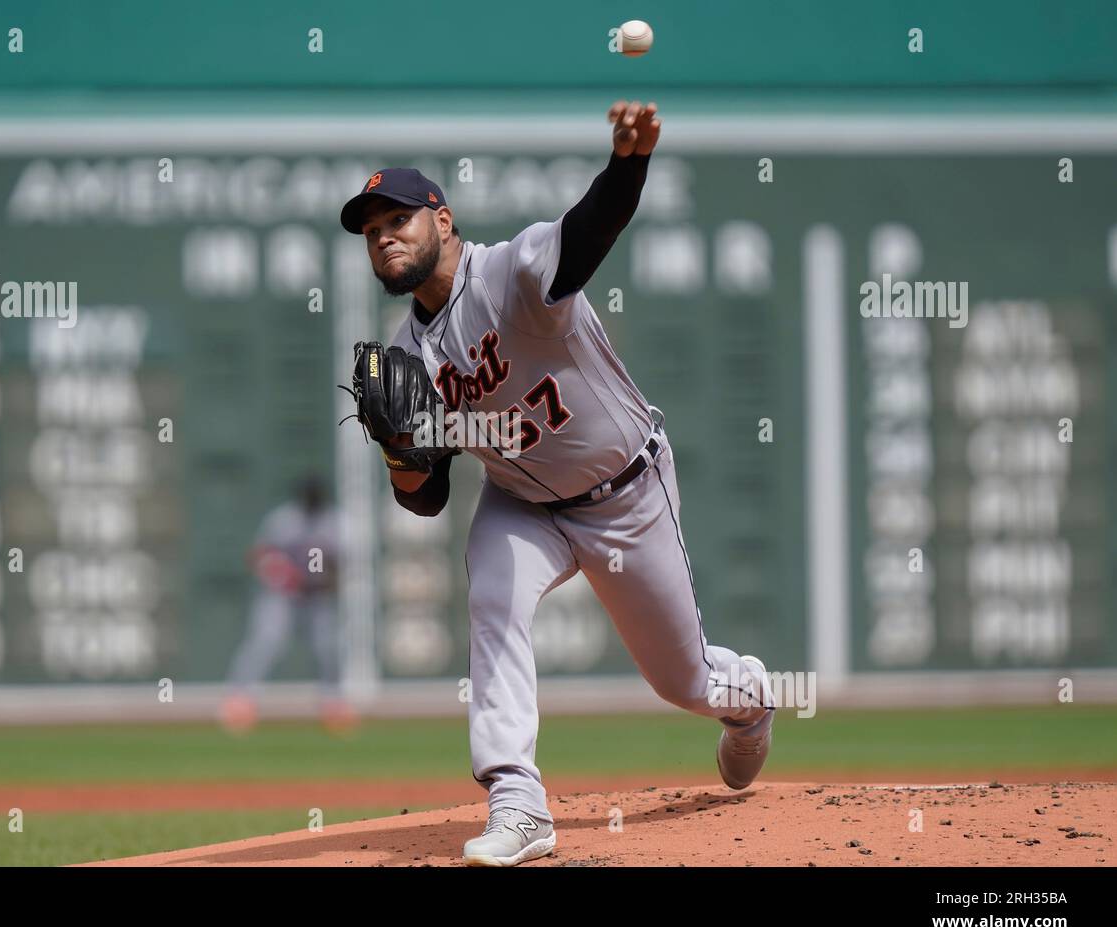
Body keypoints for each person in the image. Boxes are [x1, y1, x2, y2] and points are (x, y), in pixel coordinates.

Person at [338, 100, 776, 866]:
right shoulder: (409, 356)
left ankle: (749, 701)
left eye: (397, 219)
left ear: (443, 221)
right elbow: (428, 498)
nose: (383, 237)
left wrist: (629, 163)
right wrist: (398, 451)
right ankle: (518, 802)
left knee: (683, 680)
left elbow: (592, 229)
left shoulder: (513, 270)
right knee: (493, 598)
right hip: (523, 505)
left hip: (626, 493)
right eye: (371, 231)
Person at [220, 476, 358, 736]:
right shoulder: (284, 519)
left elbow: (345, 567)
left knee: (328, 648)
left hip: (318, 596)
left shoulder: (336, 522)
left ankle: (334, 704)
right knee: (265, 643)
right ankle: (239, 702)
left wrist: (320, 581)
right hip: (281, 597)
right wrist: (281, 575)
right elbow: (259, 555)